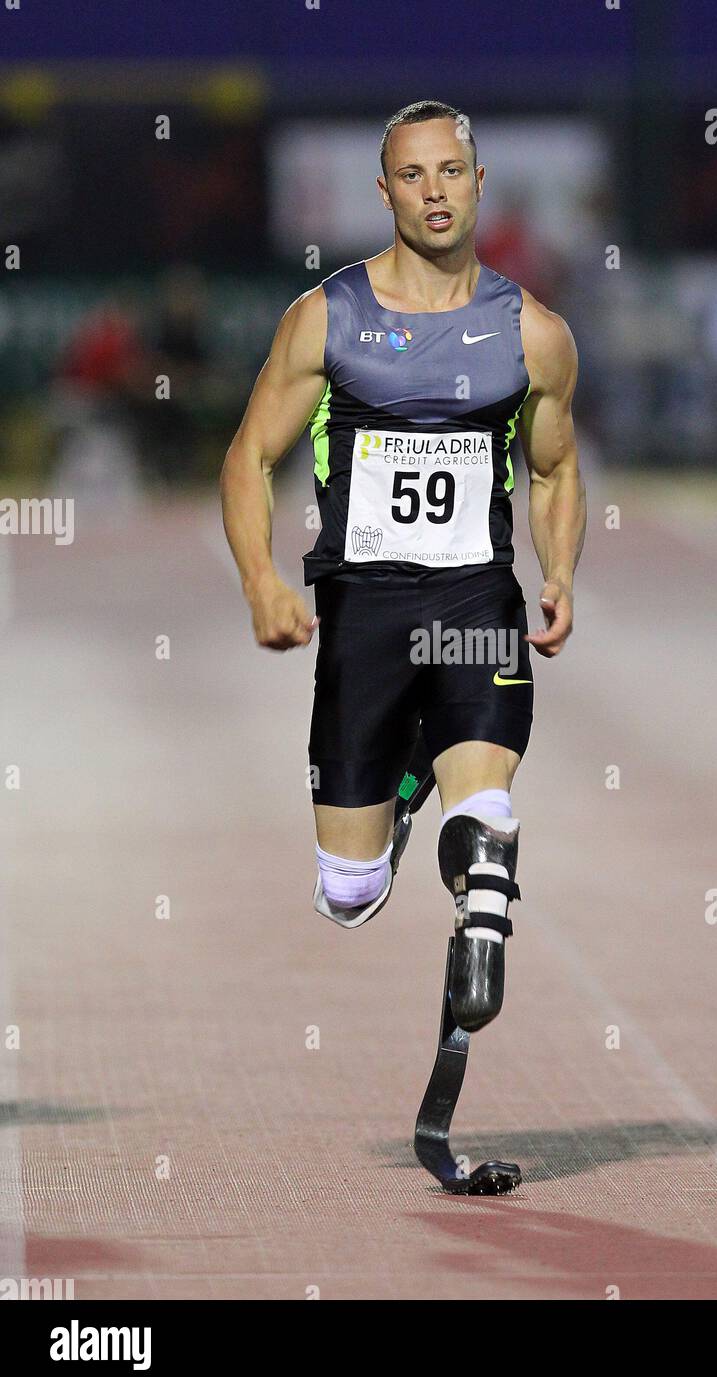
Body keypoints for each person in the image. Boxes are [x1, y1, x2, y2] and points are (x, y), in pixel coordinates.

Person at [220, 100, 585, 1038]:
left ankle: (484, 904)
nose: (435, 192)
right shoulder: (326, 318)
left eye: (451, 172)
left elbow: (552, 469)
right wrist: (263, 582)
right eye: (413, 176)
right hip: (363, 608)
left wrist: (559, 574)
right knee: (350, 890)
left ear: (478, 181)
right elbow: (250, 458)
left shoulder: (531, 330)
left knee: (491, 806)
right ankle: (405, 785)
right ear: (383, 191)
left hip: (475, 596)